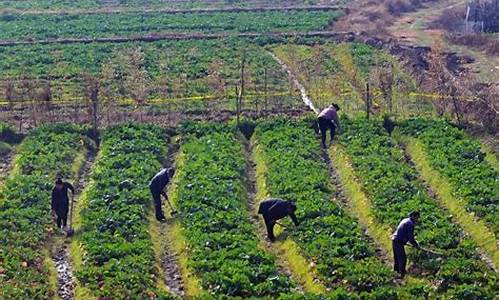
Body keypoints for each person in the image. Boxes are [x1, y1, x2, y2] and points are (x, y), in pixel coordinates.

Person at [392, 211, 421, 278]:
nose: (417, 220)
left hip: (395, 240)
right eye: (417, 218)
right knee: (402, 258)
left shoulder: (405, 220)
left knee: (397, 257)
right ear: (413, 216)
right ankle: (402, 274)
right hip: (398, 241)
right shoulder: (410, 224)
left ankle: (396, 272)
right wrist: (416, 245)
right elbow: (410, 237)